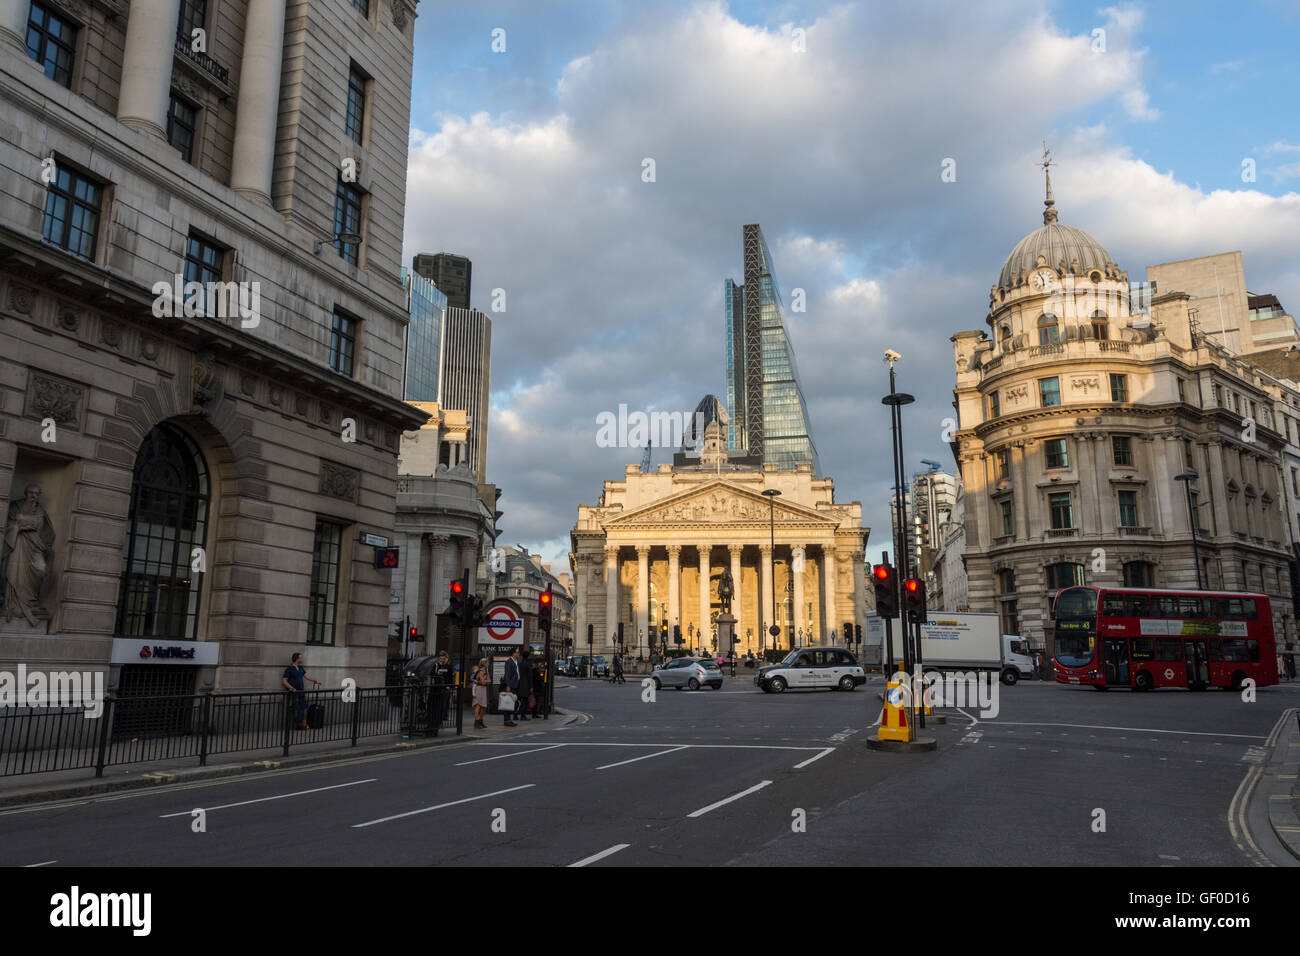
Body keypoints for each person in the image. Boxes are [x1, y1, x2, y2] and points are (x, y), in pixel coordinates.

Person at [281, 652, 321, 730]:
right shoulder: (289, 669)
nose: (302, 659)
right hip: (294, 693)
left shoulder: (301, 668)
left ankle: (304, 723)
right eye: (301, 658)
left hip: (301, 691)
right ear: (297, 659)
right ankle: (299, 724)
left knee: (304, 707)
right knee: (296, 708)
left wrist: (315, 680)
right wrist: (291, 688)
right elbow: (284, 681)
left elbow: (307, 676)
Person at [502, 649, 521, 727]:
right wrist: (508, 685)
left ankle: (509, 719)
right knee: (508, 702)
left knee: (512, 703)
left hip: (515, 685)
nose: (519, 654)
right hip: (511, 685)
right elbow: (507, 675)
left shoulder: (515, 661)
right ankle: (507, 720)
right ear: (513, 653)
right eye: (517, 652)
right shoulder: (509, 662)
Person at [471, 657, 491, 729]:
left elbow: (489, 681)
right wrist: (485, 681)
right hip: (479, 689)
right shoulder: (481, 671)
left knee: (484, 706)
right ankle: (476, 722)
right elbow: (483, 682)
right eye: (487, 662)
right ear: (484, 663)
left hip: (484, 689)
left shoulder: (486, 671)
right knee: (478, 705)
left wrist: (485, 681)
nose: (489, 664)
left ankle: (481, 721)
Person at [517, 648, 535, 722]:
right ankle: (523, 716)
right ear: (528, 656)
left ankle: (515, 715)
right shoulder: (528, 665)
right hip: (526, 685)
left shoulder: (519, 664)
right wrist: (531, 686)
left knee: (518, 700)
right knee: (524, 701)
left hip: (519, 684)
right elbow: (530, 676)